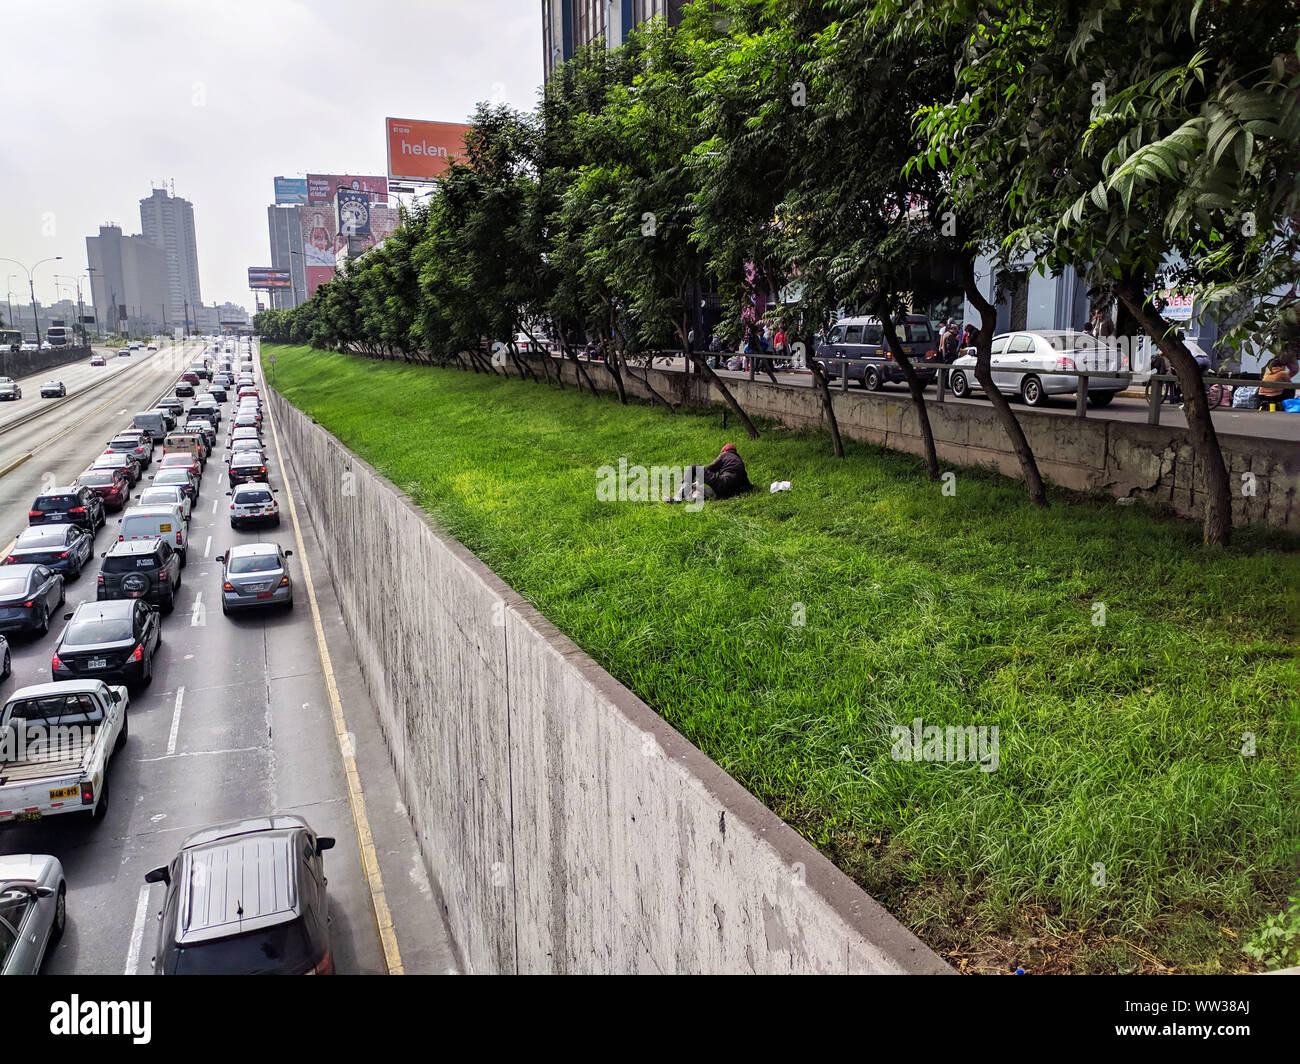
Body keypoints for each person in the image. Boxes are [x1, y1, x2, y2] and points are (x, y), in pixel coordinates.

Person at [673, 443, 753, 503]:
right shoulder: (739, 461)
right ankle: (695, 495)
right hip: (729, 492)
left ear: (724, 451)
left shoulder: (724, 455)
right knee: (708, 490)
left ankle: (679, 495)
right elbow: (746, 483)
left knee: (694, 467)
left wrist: (697, 480)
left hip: (723, 483)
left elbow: (709, 468)